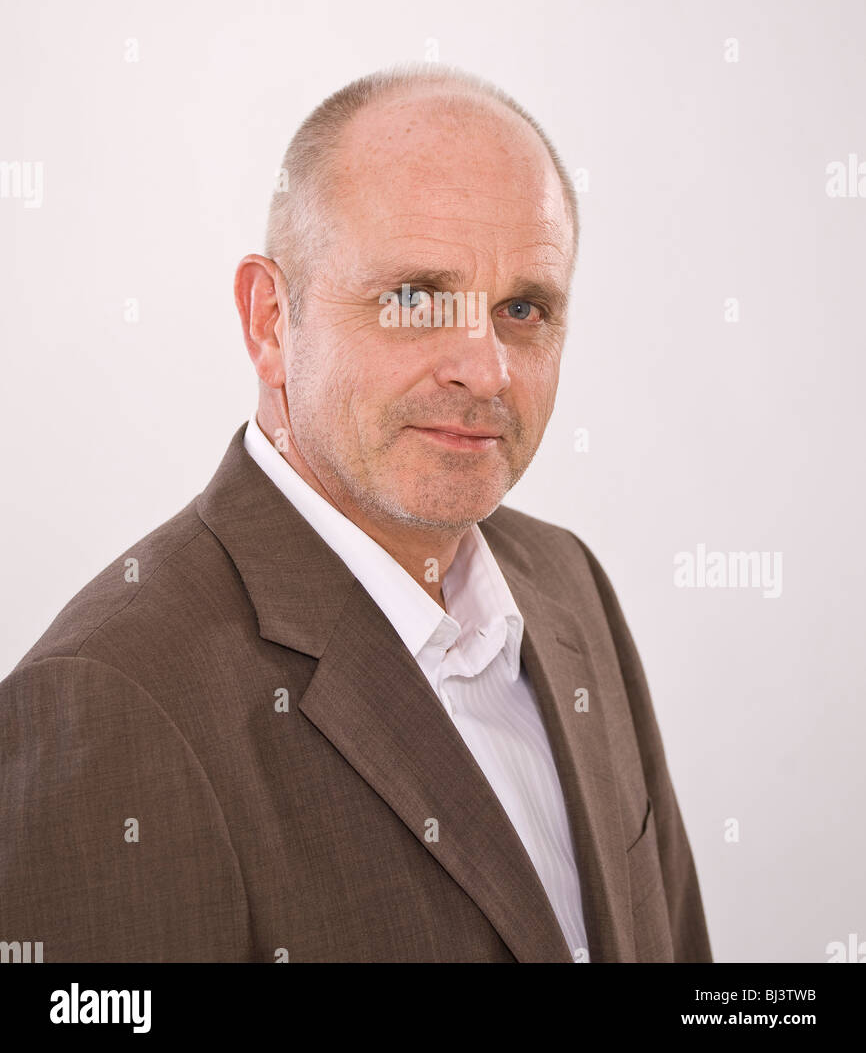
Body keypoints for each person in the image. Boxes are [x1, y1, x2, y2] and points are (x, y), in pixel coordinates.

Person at [0, 64, 712, 963]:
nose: (484, 369)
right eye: (417, 300)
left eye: (523, 308)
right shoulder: (109, 706)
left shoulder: (570, 588)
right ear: (269, 321)